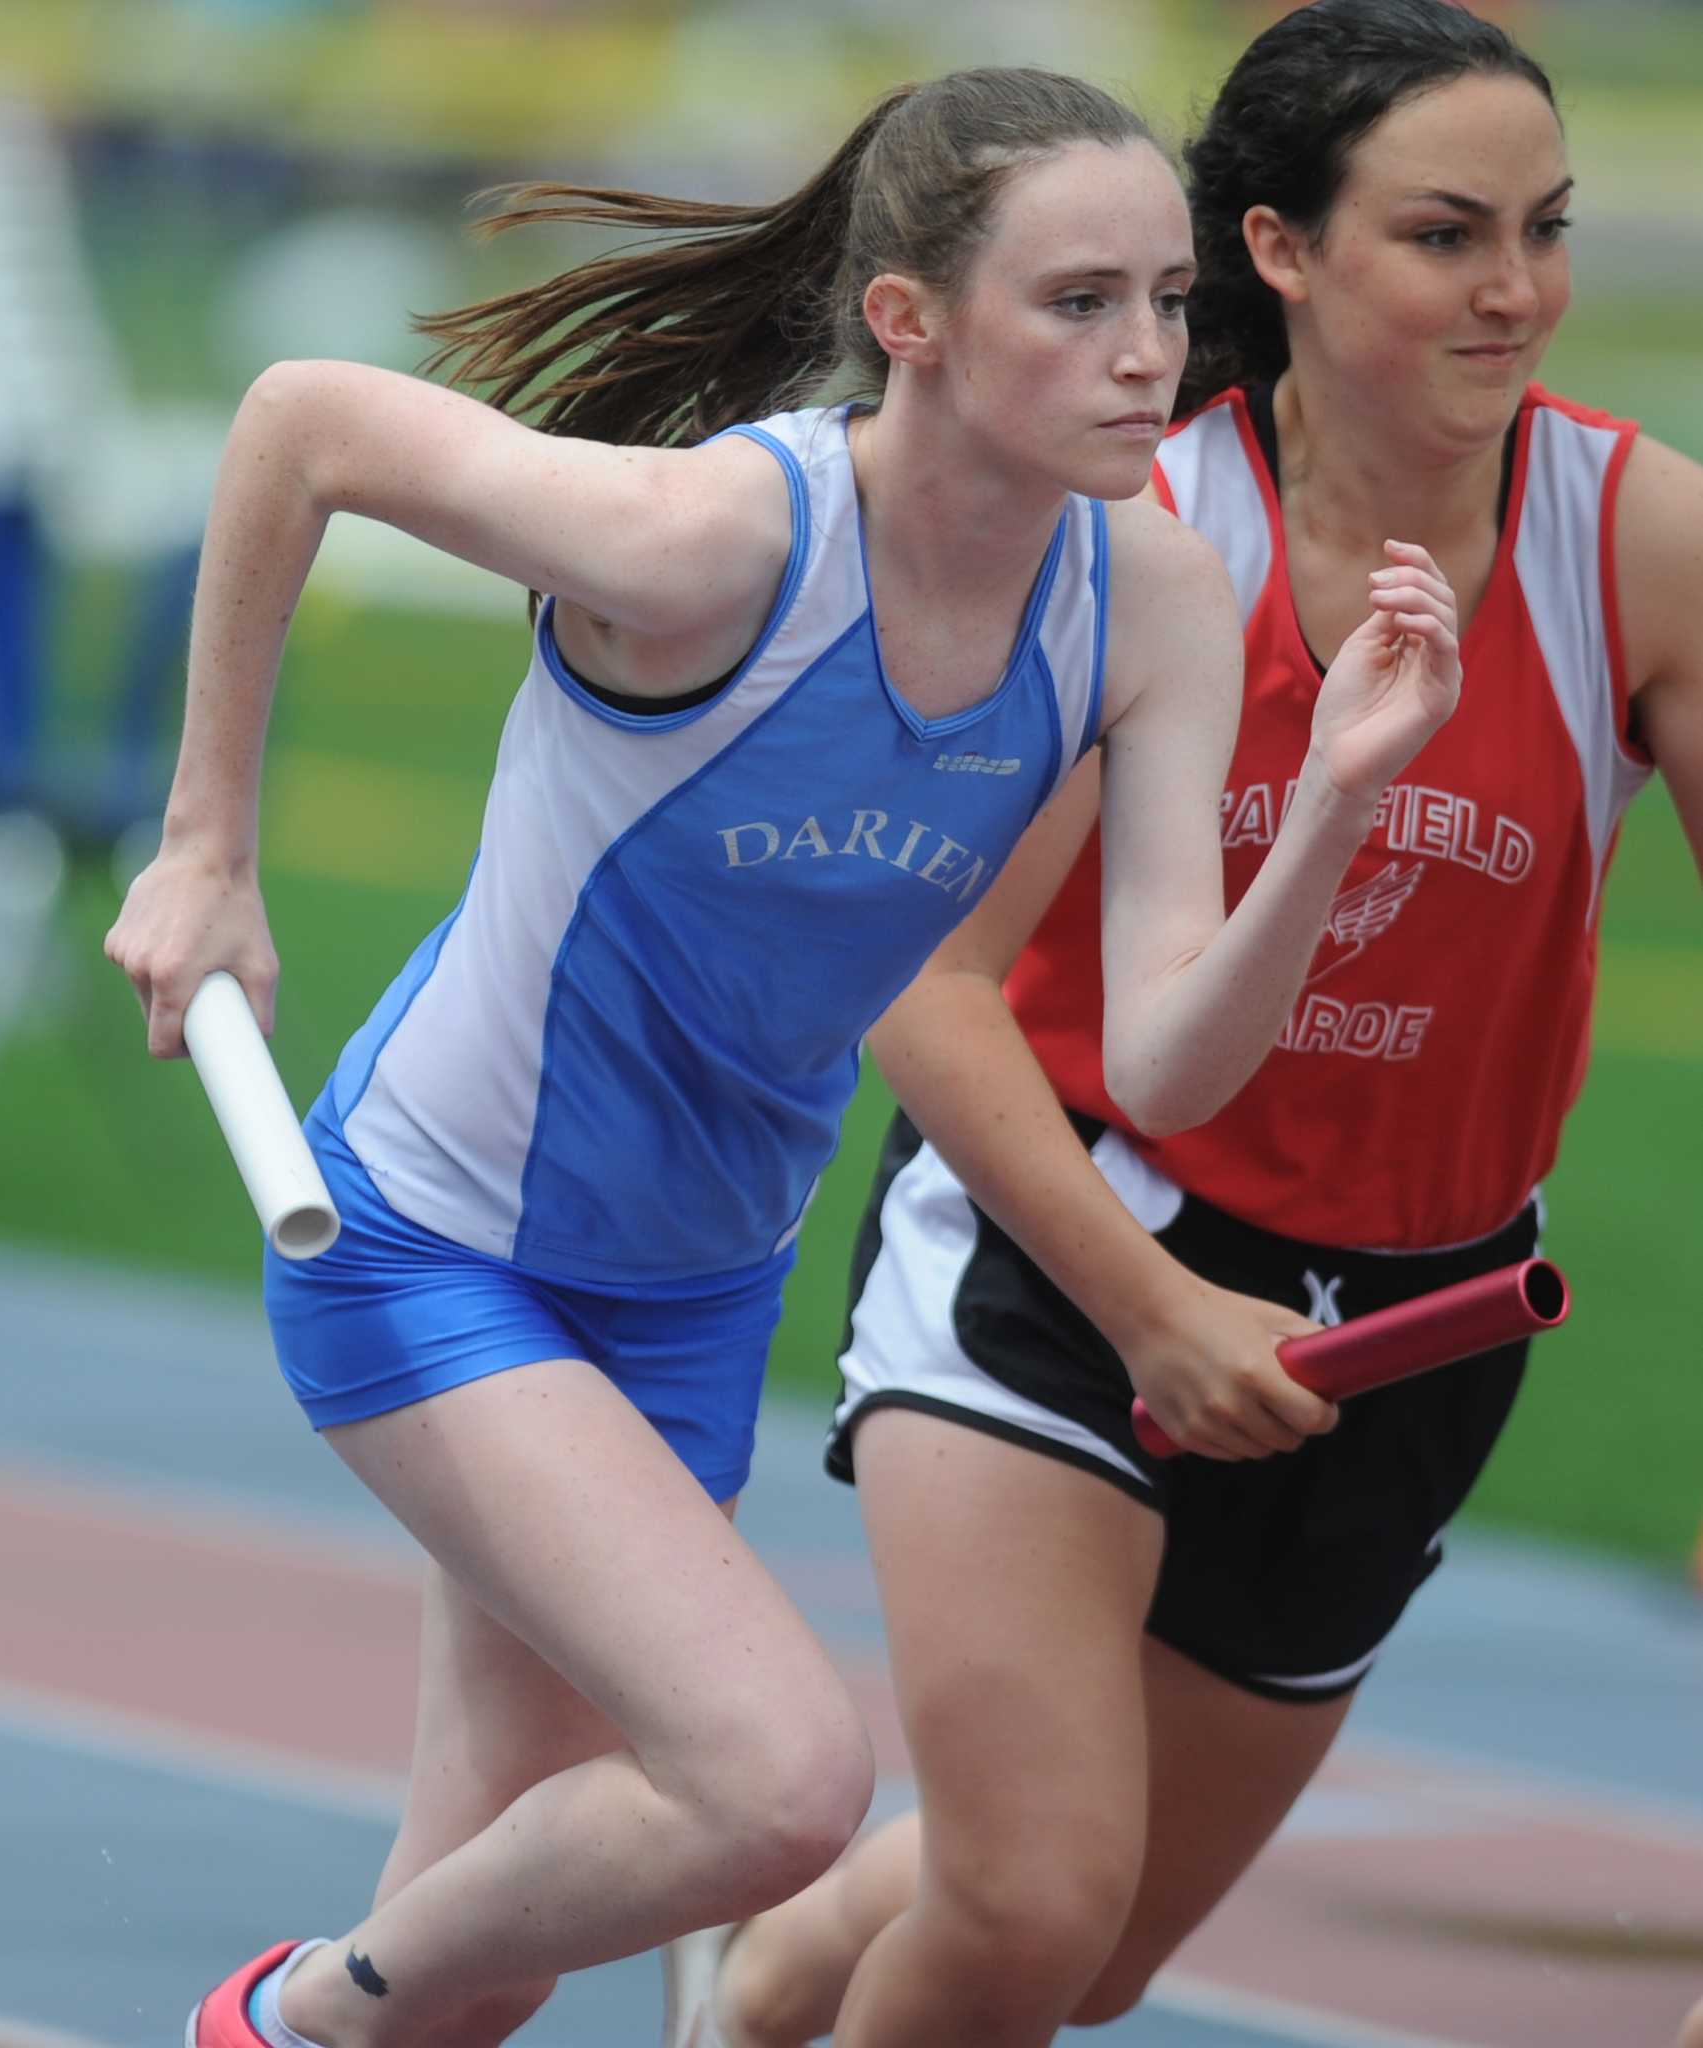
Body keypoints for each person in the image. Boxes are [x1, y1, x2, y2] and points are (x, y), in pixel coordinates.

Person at [104, 62, 1464, 2048]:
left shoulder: (1149, 601)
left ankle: (349, 2022)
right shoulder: (716, 541)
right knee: (771, 1782)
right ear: (908, 319)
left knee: (482, 1972)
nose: (1145, 356)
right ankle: (282, 2017)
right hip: (434, 1239)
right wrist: (206, 848)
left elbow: (1167, 1066)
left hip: (683, 1298)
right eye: (1077, 301)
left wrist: (1333, 802)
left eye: (1167, 301)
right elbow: (301, 422)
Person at [667, 6, 1703, 2046]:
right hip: (1068, 1255)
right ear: (1281, 250)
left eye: (1545, 229)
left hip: (1411, 1322)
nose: (1514, 289)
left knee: (1093, 1943)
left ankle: (789, 1958)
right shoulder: (1133, 536)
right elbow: (924, 986)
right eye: (1444, 235)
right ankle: (871, 1932)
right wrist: (1147, 1308)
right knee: (1031, 1907)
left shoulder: (1634, 540)